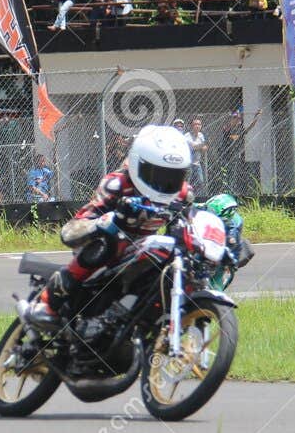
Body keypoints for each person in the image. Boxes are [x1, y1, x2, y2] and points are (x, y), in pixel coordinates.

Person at [19, 124, 194, 330]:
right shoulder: (116, 185)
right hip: (104, 244)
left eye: (172, 177)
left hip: (146, 250)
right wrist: (112, 220)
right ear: (139, 164)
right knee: (109, 243)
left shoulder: (183, 193)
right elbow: (72, 232)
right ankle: (47, 304)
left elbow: (186, 226)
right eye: (158, 174)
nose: (165, 184)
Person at [199, 193, 253, 291]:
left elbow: (232, 251)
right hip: (204, 241)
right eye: (209, 210)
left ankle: (215, 297)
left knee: (216, 275)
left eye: (213, 213)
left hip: (223, 249)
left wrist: (230, 264)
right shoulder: (206, 208)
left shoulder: (233, 229)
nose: (210, 213)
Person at [186, 118, 208, 188]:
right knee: (187, 182)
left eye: (199, 124)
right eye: (195, 124)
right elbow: (194, 147)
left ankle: (199, 197)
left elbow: (205, 147)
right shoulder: (187, 135)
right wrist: (201, 146)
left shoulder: (201, 135)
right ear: (191, 126)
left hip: (197, 163)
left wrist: (201, 146)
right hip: (188, 163)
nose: (197, 126)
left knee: (201, 182)